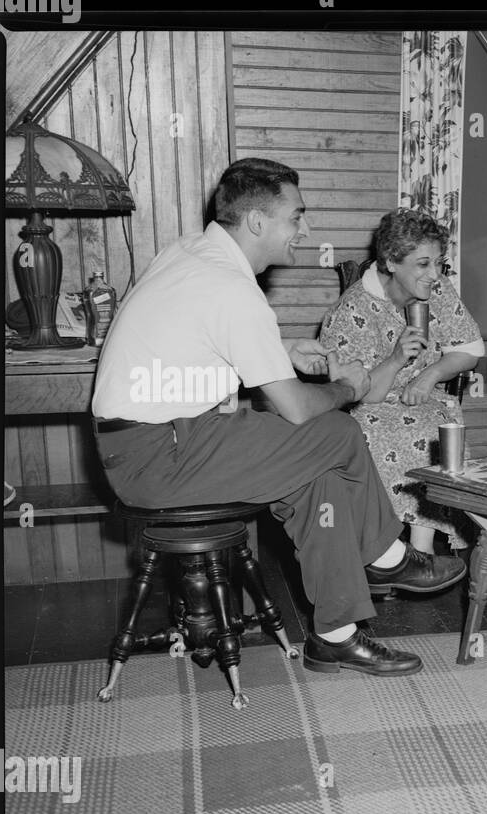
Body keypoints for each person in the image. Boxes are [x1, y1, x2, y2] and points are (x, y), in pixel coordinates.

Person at [91, 158, 459, 676]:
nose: (304, 231)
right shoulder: (231, 287)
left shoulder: (190, 253)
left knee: (320, 478)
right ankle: (385, 555)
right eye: (297, 216)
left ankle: (335, 636)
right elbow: (298, 407)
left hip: (159, 443)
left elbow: (196, 338)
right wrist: (347, 384)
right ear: (258, 223)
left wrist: (282, 348)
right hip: (161, 454)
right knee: (336, 427)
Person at [318, 208, 480, 585]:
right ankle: (389, 554)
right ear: (391, 261)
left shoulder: (435, 289)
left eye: (438, 262)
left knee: (438, 429)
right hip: (368, 405)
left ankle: (420, 555)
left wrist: (429, 375)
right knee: (392, 435)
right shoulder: (353, 308)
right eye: (423, 264)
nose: (434, 274)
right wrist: (395, 358)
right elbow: (359, 393)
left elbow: (469, 347)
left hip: (424, 397)